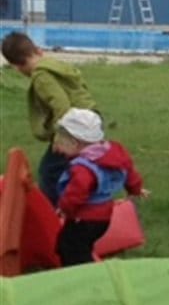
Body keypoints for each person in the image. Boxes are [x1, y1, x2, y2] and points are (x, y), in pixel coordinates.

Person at [1, 31, 98, 204]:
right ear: (37, 50)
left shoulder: (41, 77)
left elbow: (61, 105)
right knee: (77, 165)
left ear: (16, 66)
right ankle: (84, 198)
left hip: (76, 126)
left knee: (50, 171)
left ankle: (55, 211)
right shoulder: (55, 66)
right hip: (89, 119)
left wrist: (62, 137)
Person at [51, 108, 149, 266]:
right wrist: (136, 189)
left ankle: (85, 274)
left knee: (71, 248)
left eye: (61, 143)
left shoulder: (83, 167)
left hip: (84, 218)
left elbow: (77, 191)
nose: (58, 149)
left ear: (74, 143)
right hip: (103, 217)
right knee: (73, 244)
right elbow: (128, 170)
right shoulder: (110, 155)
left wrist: (64, 208)